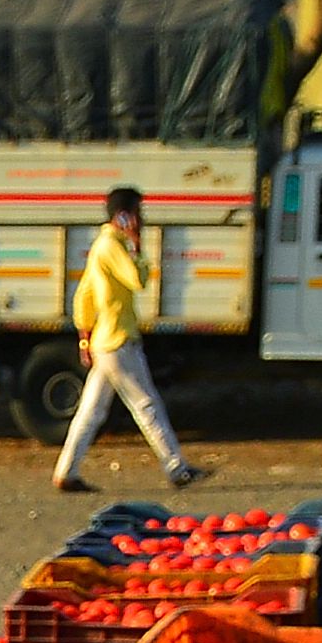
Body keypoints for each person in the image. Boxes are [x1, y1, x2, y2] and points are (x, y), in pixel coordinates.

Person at [54, 183, 199, 497]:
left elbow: (84, 297)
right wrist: (137, 244)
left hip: (103, 342)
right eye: (137, 212)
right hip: (119, 340)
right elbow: (138, 280)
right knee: (147, 405)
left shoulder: (100, 246)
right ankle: (177, 468)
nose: (141, 219)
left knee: (90, 413)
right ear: (125, 215)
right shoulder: (114, 246)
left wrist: (84, 337)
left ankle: (66, 472)